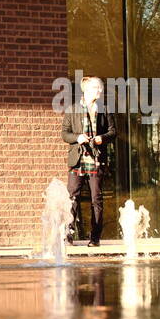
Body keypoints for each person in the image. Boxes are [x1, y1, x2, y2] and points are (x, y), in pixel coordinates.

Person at [61, 75, 115, 247]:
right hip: (78, 160)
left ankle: (95, 238)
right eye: (95, 87)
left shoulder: (105, 109)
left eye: (100, 87)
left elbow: (113, 132)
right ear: (85, 90)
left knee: (96, 200)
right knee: (72, 198)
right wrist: (78, 138)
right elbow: (65, 134)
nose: (99, 90)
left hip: (96, 160)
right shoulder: (72, 109)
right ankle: (68, 235)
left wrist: (102, 138)